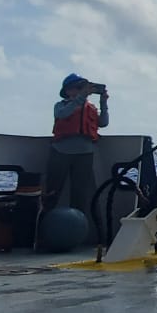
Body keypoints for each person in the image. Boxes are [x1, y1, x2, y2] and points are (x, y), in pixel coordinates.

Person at [47, 73, 109, 217]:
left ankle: (77, 230)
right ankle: (44, 228)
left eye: (84, 87)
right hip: (60, 153)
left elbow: (103, 123)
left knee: (80, 195)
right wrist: (80, 98)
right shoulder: (60, 106)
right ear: (68, 91)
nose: (83, 90)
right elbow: (62, 114)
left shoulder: (91, 108)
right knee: (52, 193)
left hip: (84, 155)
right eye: (79, 87)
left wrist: (103, 103)